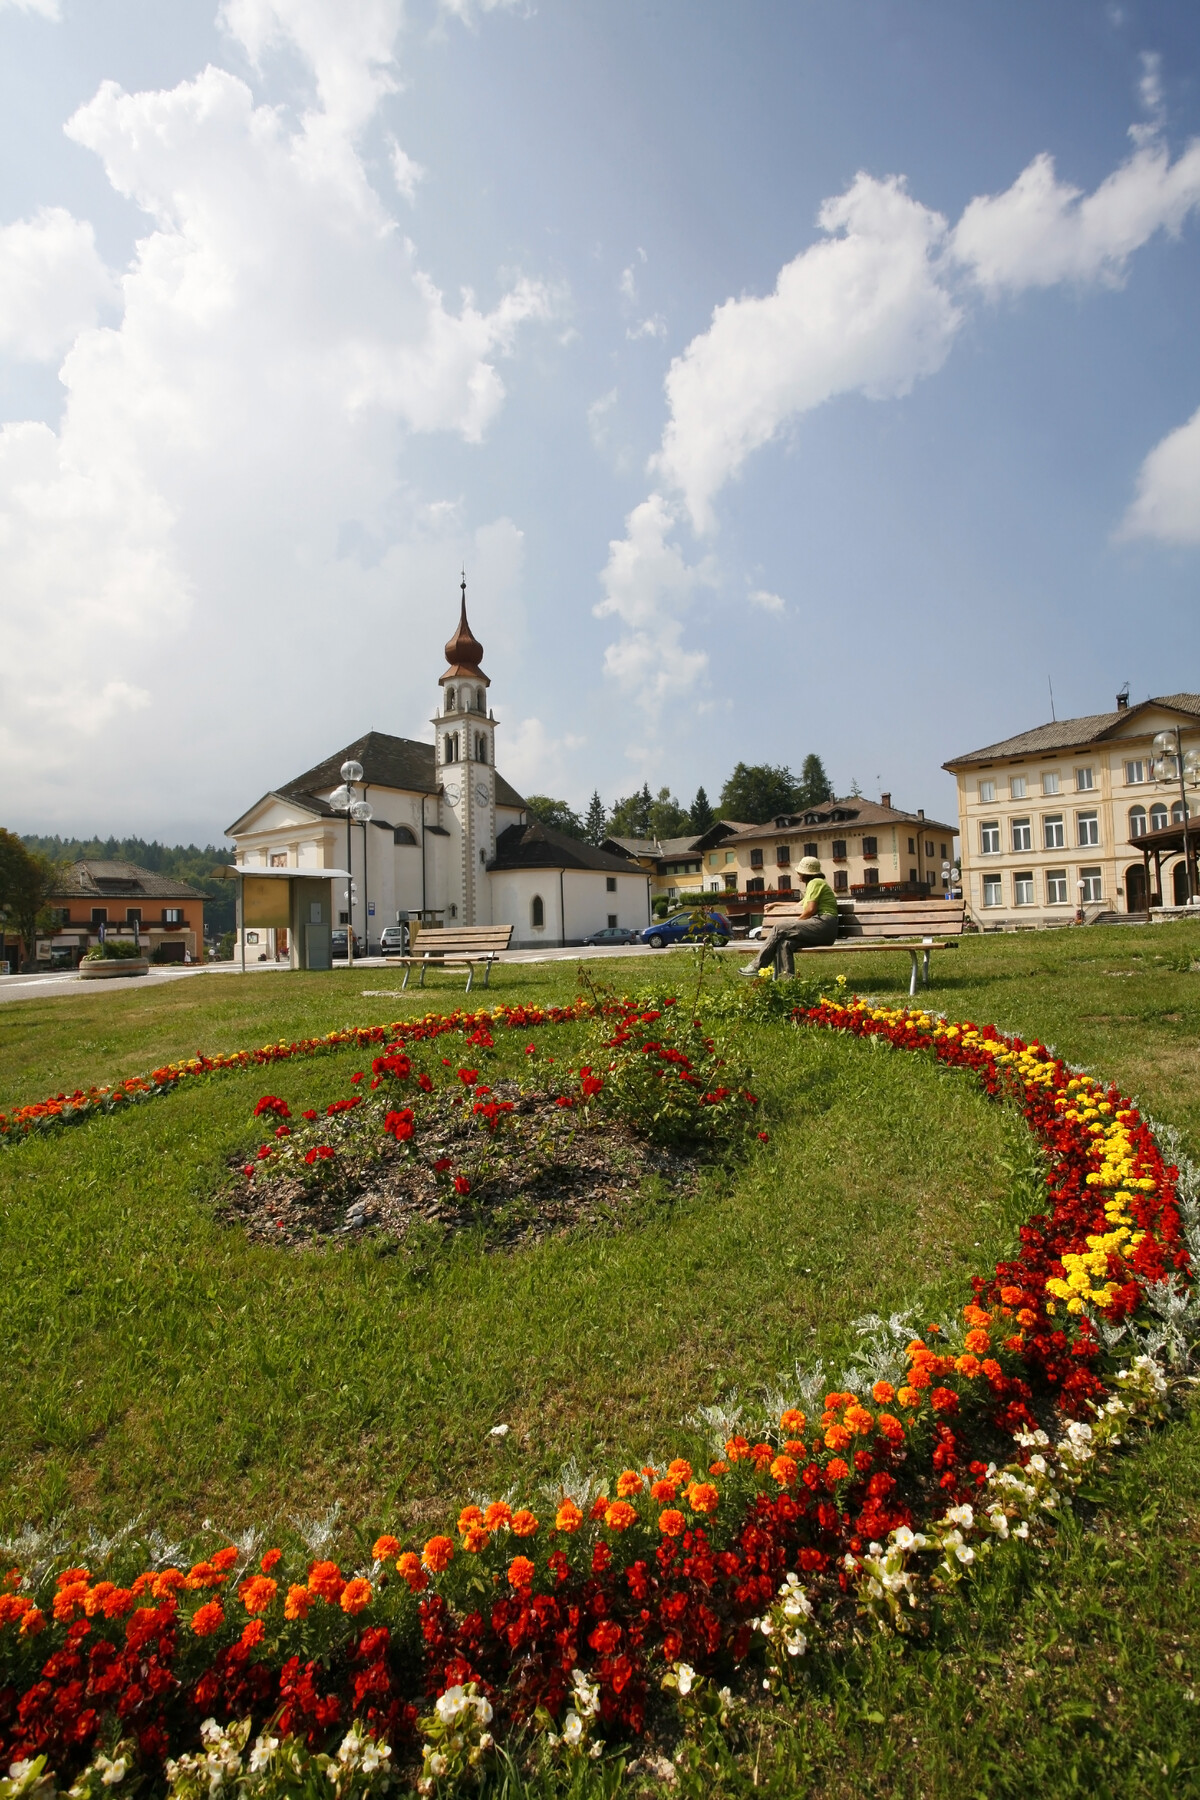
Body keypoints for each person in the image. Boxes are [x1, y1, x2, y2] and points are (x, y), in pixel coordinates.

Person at [748, 855, 840, 973]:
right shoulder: (815, 884)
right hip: (824, 931)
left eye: (799, 872)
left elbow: (810, 909)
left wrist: (795, 923)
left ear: (805, 873)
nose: (798, 874)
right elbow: (799, 905)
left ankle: (757, 966)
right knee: (785, 943)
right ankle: (786, 980)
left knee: (780, 927)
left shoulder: (815, 883)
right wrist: (776, 904)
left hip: (824, 924)